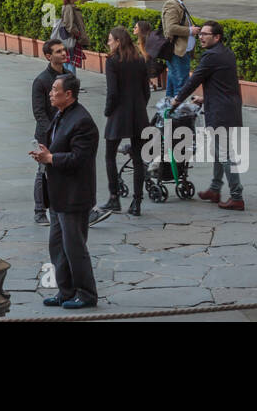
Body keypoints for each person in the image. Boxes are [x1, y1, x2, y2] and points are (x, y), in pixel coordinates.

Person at [31, 73, 99, 309]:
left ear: (68, 94)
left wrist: (51, 158)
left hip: (75, 196)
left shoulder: (82, 121)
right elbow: (61, 148)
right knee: (57, 247)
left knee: (75, 248)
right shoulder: (61, 115)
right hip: (59, 195)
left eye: (54, 90)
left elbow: (80, 158)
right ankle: (66, 291)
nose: (50, 93)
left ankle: (87, 294)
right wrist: (46, 153)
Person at [170, 20, 244, 210]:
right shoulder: (226, 53)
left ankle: (236, 196)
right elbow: (225, 84)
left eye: (205, 34)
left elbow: (193, 80)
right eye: (200, 33)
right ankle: (215, 189)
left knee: (225, 154)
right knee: (220, 151)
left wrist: (177, 100)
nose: (200, 37)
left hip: (221, 112)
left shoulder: (211, 56)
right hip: (230, 107)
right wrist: (205, 99)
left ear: (217, 37)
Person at [92, 26, 153, 223]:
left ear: (118, 42)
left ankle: (114, 197)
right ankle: (137, 202)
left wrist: (108, 111)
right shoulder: (139, 60)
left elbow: (113, 92)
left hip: (119, 113)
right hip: (138, 113)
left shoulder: (112, 61)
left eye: (110, 39)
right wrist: (141, 107)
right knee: (137, 159)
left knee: (110, 155)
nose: (108, 42)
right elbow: (147, 90)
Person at [31, 39, 70, 225]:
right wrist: (51, 133)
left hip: (68, 131)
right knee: (43, 170)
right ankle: (39, 211)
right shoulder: (41, 81)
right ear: (48, 56)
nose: (63, 53)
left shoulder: (69, 77)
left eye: (63, 50)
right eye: (58, 51)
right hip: (47, 134)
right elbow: (39, 112)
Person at [161, 0, 199, 103]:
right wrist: (190, 31)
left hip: (181, 53)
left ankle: (168, 120)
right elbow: (171, 28)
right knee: (181, 88)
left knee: (173, 89)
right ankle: (178, 116)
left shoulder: (178, 4)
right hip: (178, 53)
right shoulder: (171, 4)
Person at [59, 0, 88, 74]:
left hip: (70, 39)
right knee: (70, 63)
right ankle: (70, 83)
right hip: (72, 39)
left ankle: (68, 82)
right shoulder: (69, 8)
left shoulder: (69, 7)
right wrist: (78, 34)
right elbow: (69, 26)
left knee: (68, 62)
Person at [133, 19, 167, 92]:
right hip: (151, 63)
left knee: (138, 62)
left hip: (156, 65)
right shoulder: (142, 39)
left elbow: (147, 56)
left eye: (136, 27)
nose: (134, 29)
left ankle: (147, 84)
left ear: (141, 29)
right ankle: (148, 83)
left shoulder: (147, 39)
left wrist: (140, 47)